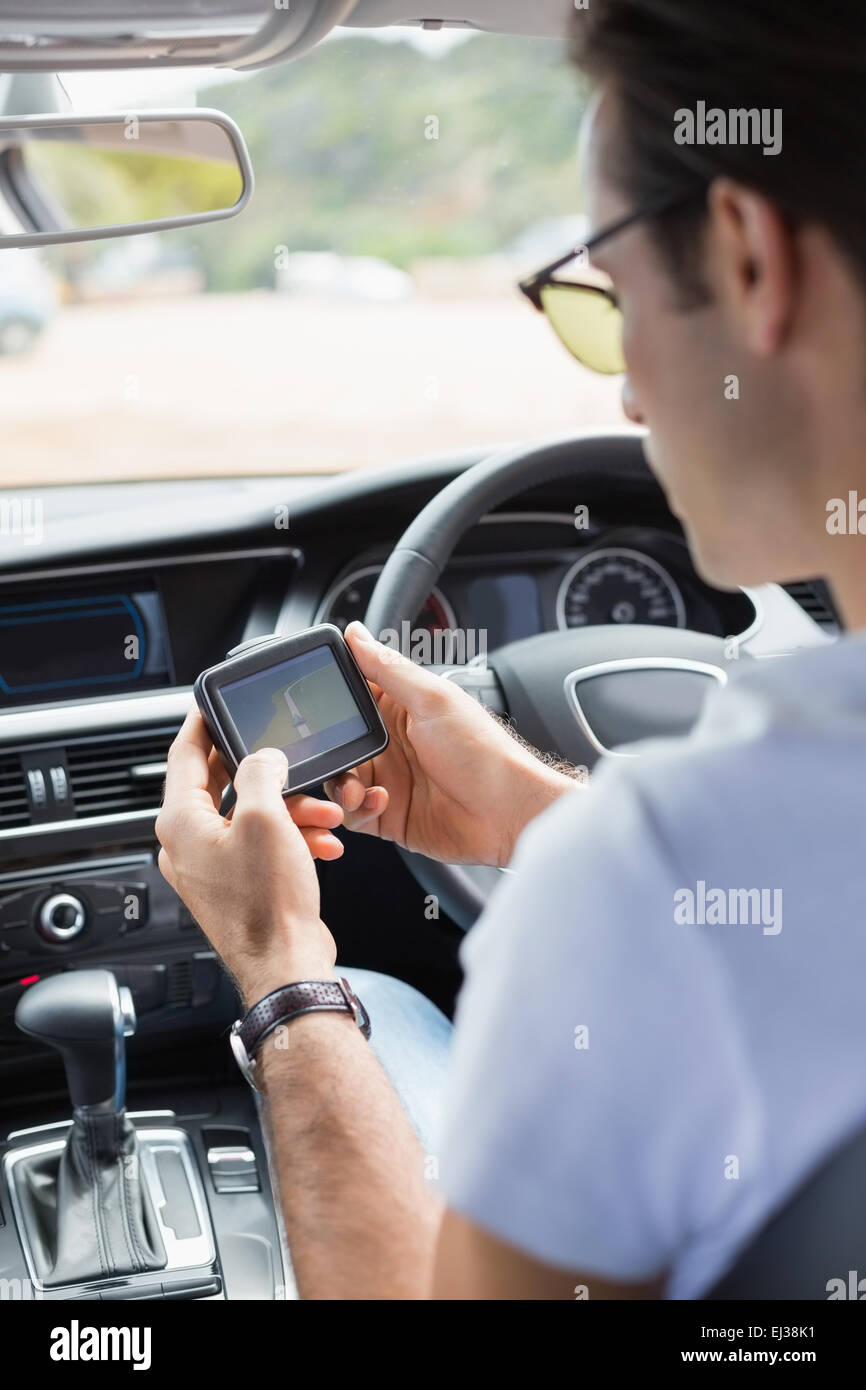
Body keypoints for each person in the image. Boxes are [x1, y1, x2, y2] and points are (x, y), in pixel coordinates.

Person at [156, 0, 866, 1298]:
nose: (626, 394)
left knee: (386, 1003)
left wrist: (284, 980)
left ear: (748, 257)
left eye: (602, 300)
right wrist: (541, 816)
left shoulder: (647, 880)